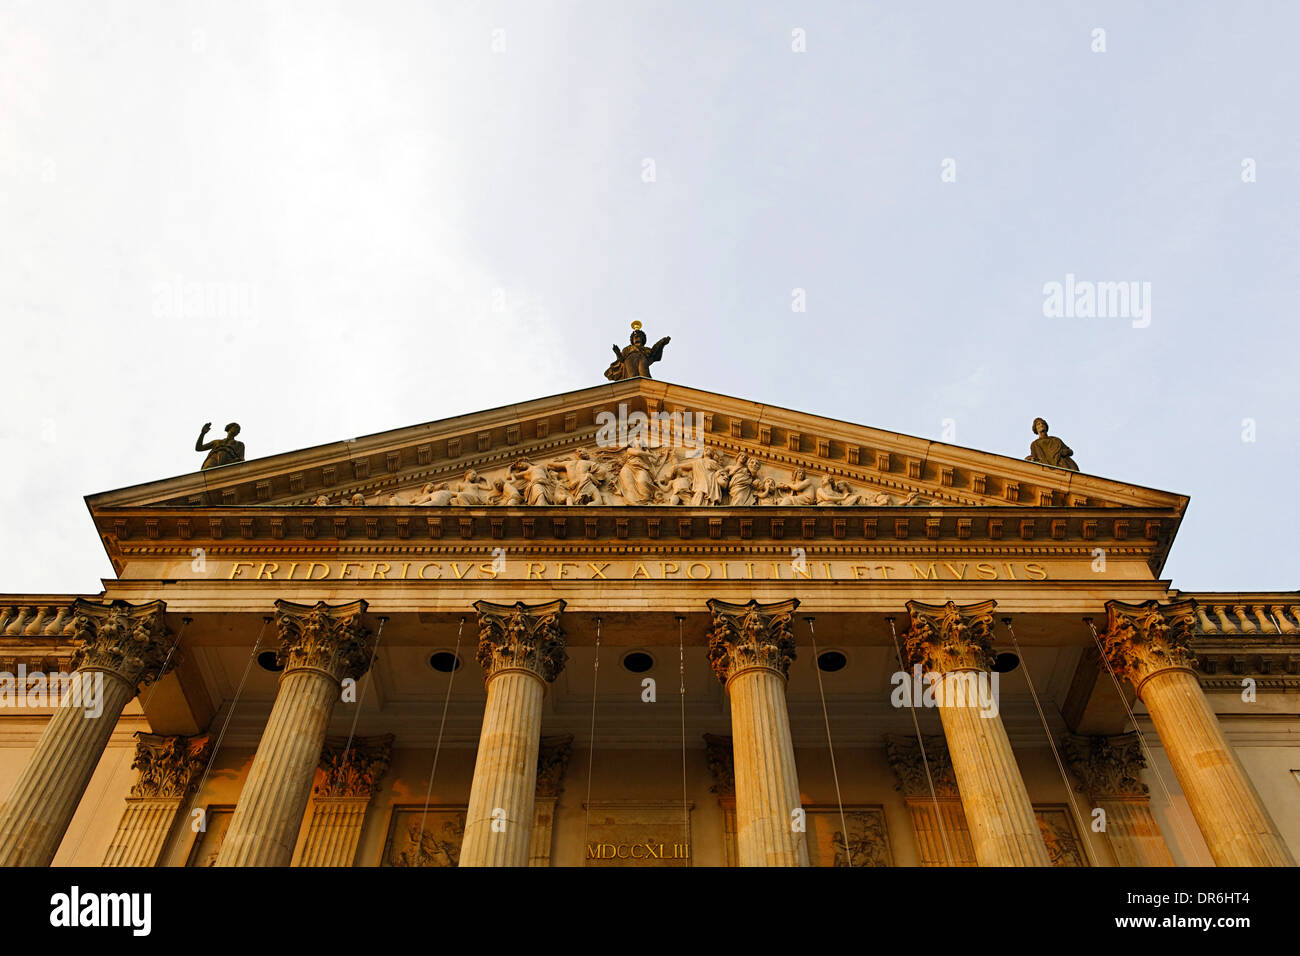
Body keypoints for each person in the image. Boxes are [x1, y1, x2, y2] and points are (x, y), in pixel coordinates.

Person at [604, 324, 670, 380]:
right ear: (632, 340)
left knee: (644, 376)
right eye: (635, 337)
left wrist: (662, 343)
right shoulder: (627, 349)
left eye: (638, 337)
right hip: (630, 360)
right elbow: (622, 360)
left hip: (642, 359)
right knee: (632, 377)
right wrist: (617, 353)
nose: (636, 338)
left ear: (642, 339)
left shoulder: (647, 350)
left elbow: (655, 355)